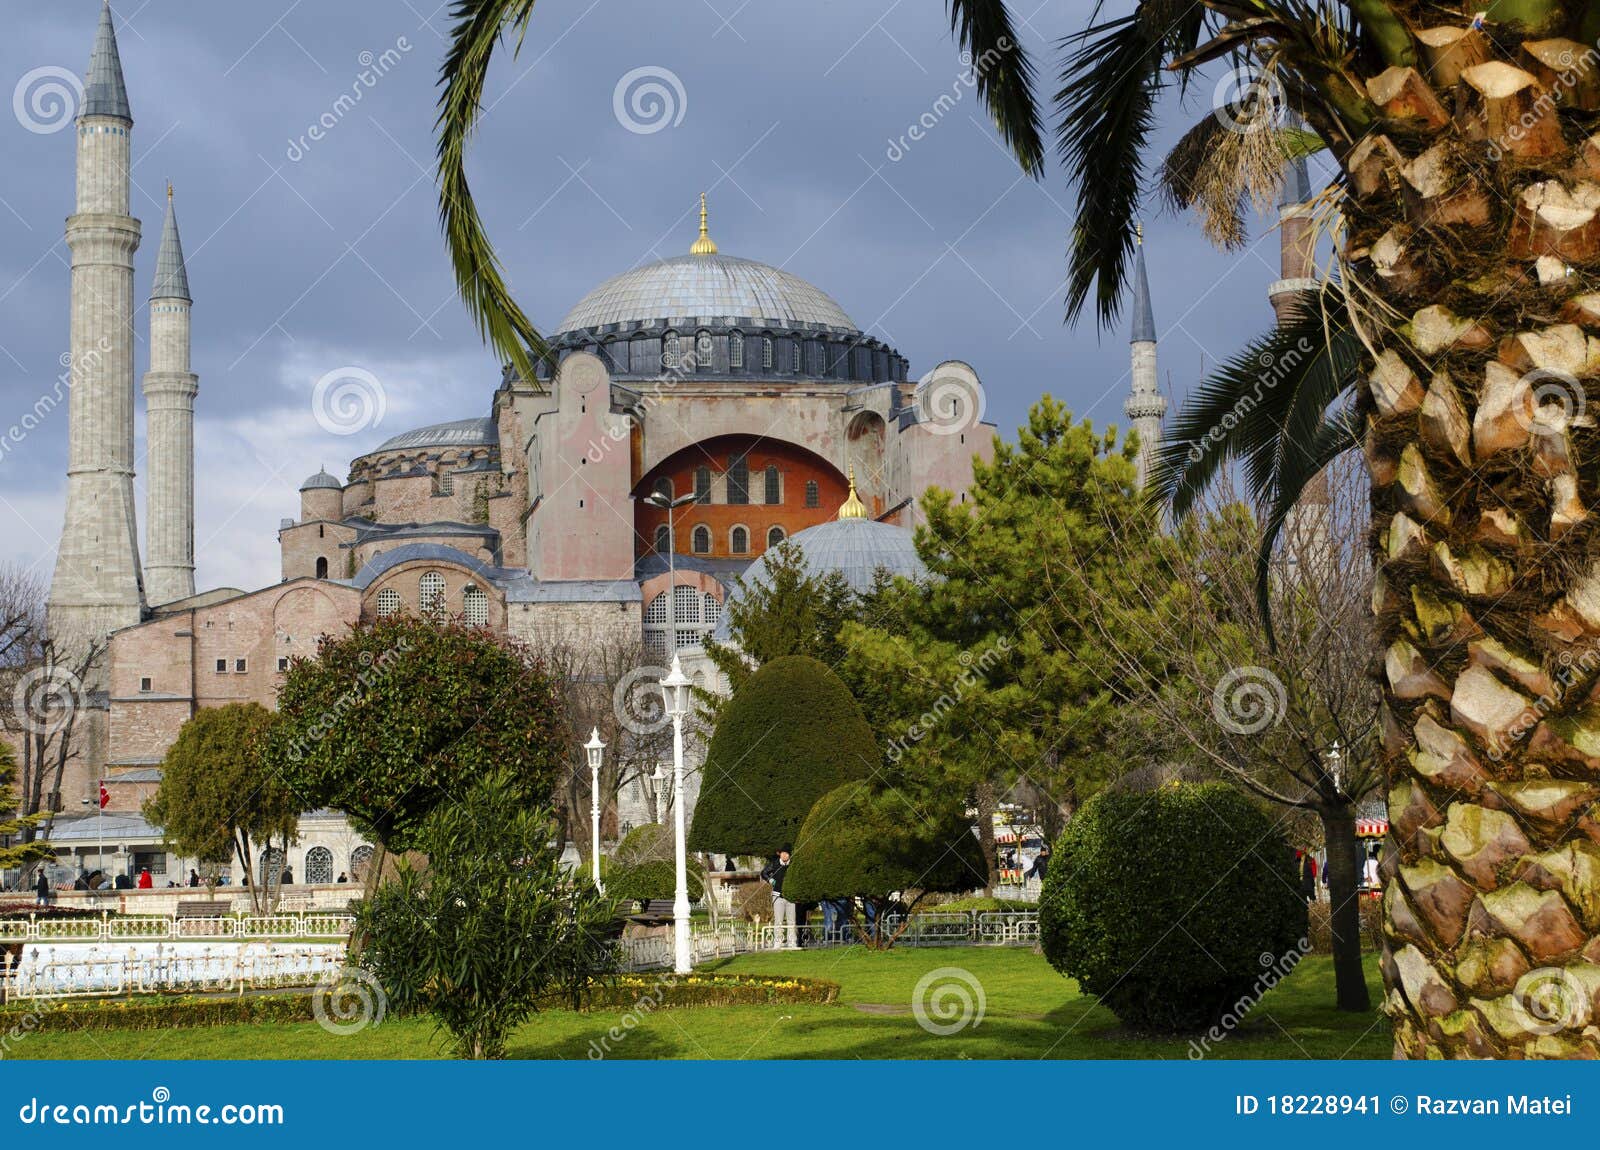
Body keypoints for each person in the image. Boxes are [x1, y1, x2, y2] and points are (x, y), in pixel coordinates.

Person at [761, 850, 797, 950]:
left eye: (787, 853)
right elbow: (763, 873)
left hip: (790, 896)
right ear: (780, 854)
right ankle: (778, 941)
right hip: (777, 896)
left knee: (791, 921)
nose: (785, 855)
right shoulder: (774, 863)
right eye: (783, 853)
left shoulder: (793, 864)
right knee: (778, 920)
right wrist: (770, 879)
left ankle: (792, 941)